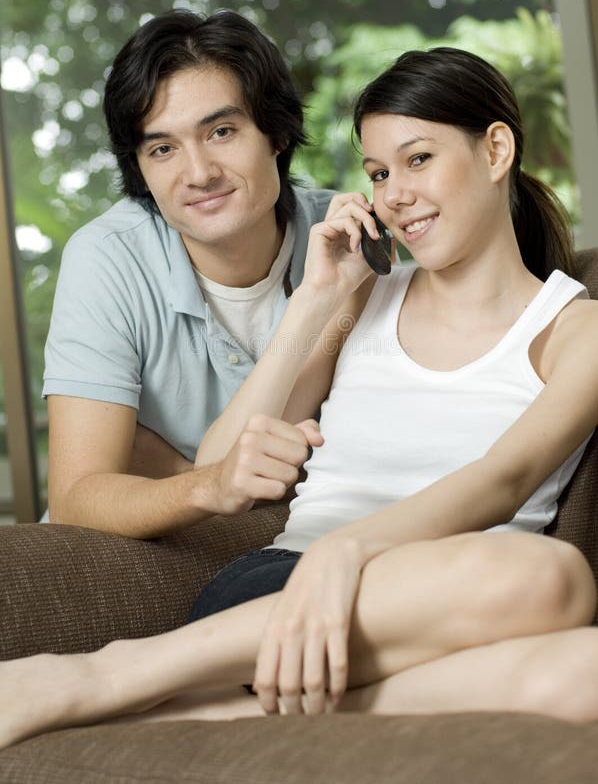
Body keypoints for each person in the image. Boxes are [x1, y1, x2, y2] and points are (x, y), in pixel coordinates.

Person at [4, 45, 598, 749]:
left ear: (496, 149)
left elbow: (507, 479)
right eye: (378, 172)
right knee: (551, 575)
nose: (395, 193)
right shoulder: (364, 298)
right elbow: (222, 461)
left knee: (586, 668)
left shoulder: (577, 331)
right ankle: (112, 673)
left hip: (443, 607)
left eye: (418, 160)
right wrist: (316, 298)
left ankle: (196, 716)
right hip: (285, 586)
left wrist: (349, 553)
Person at [42, 8, 343, 538]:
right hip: (126, 558)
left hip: (300, 544)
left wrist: (159, 460)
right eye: (163, 148)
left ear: (275, 132)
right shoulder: (108, 258)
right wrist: (211, 484)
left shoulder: (345, 240)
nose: (199, 174)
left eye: (222, 131)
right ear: (140, 167)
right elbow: (76, 498)